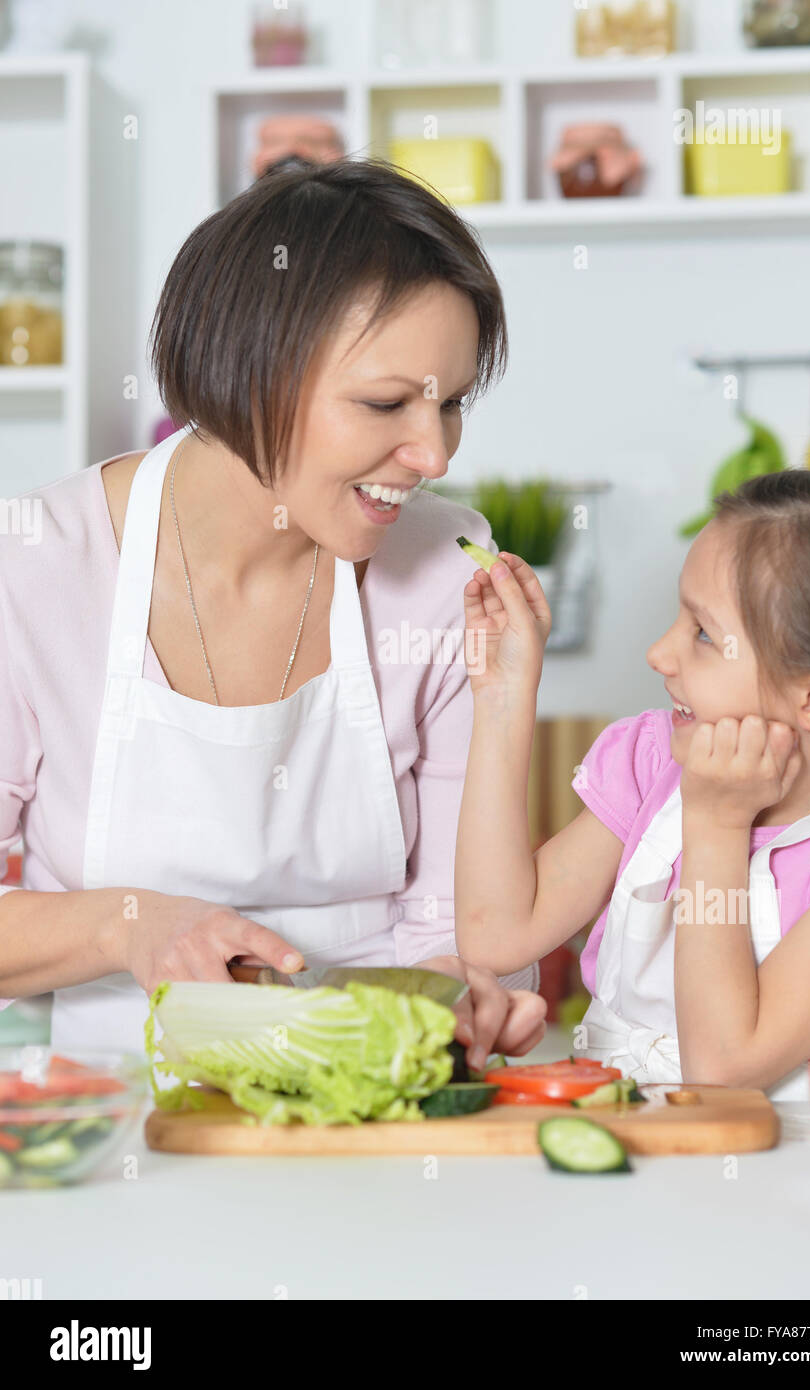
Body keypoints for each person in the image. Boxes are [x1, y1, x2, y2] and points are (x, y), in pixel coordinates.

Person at [0, 158, 546, 1065]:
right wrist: (128, 928)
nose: (433, 453)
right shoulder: (36, 567)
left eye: (450, 405)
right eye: (384, 403)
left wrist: (463, 999)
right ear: (248, 372)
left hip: (378, 1104)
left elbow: (457, 922)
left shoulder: (443, 571)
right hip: (120, 1110)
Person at [454, 469, 810, 1100]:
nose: (658, 652)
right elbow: (496, 936)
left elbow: (722, 1068)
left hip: (768, 1169)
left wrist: (719, 823)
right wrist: (504, 697)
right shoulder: (653, 758)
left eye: (702, 633)